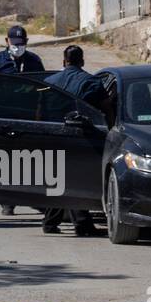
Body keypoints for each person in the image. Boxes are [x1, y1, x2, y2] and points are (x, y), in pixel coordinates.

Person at [41, 45, 104, 237]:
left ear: (63, 62)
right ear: (82, 61)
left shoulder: (49, 82)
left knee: (62, 178)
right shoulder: (91, 83)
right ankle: (82, 223)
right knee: (75, 179)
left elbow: (39, 113)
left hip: (54, 135)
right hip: (80, 136)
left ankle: (51, 222)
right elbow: (104, 110)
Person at [0, 25, 44, 217]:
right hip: (3, 117)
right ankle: (7, 202)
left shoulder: (34, 61)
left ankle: (34, 199)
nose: (18, 47)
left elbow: (43, 88)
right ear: (6, 42)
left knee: (30, 159)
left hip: (27, 117)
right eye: (14, 43)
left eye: (21, 43)